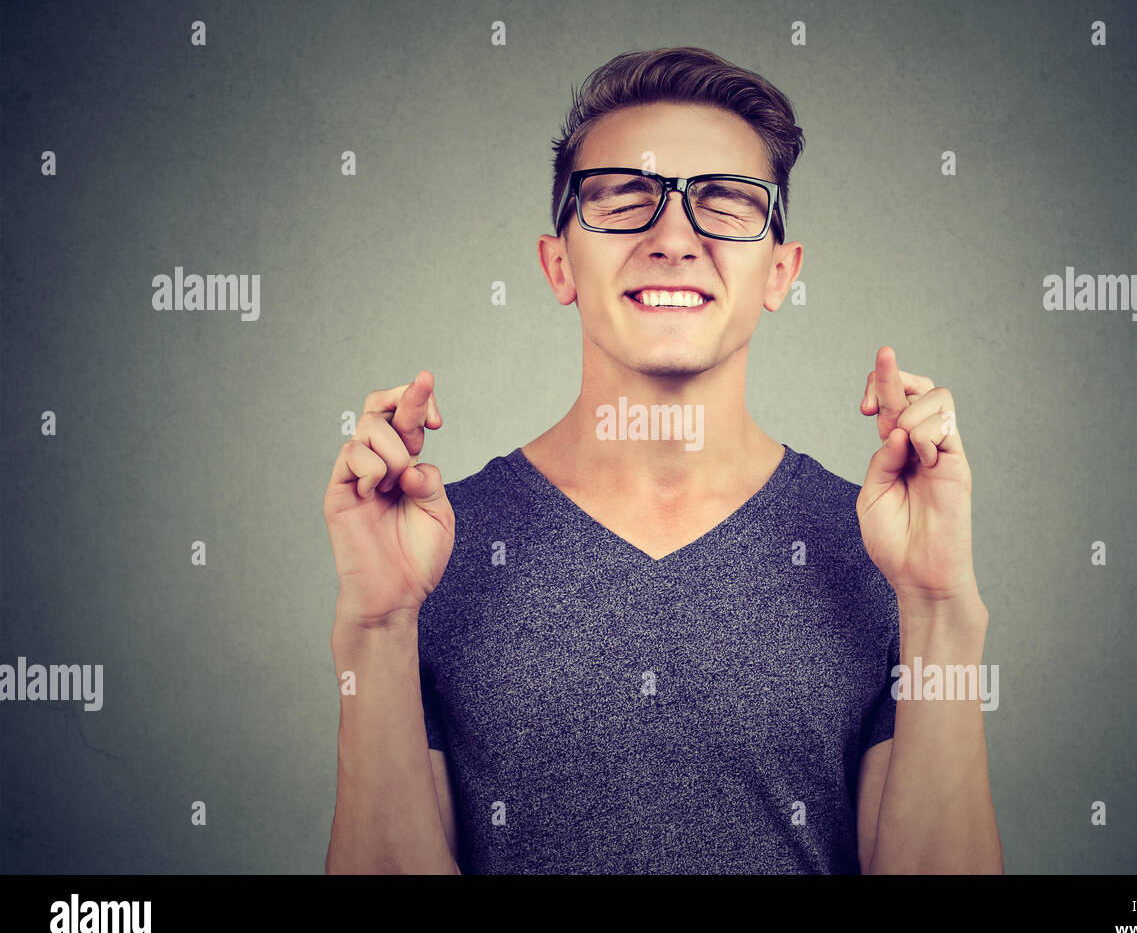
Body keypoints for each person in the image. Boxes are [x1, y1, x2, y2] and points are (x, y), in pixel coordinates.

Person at [322, 46, 1002, 874]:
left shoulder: (883, 550)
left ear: (779, 271)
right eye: (624, 198)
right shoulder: (428, 549)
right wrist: (379, 627)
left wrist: (937, 606)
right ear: (558, 263)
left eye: (725, 202)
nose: (673, 237)